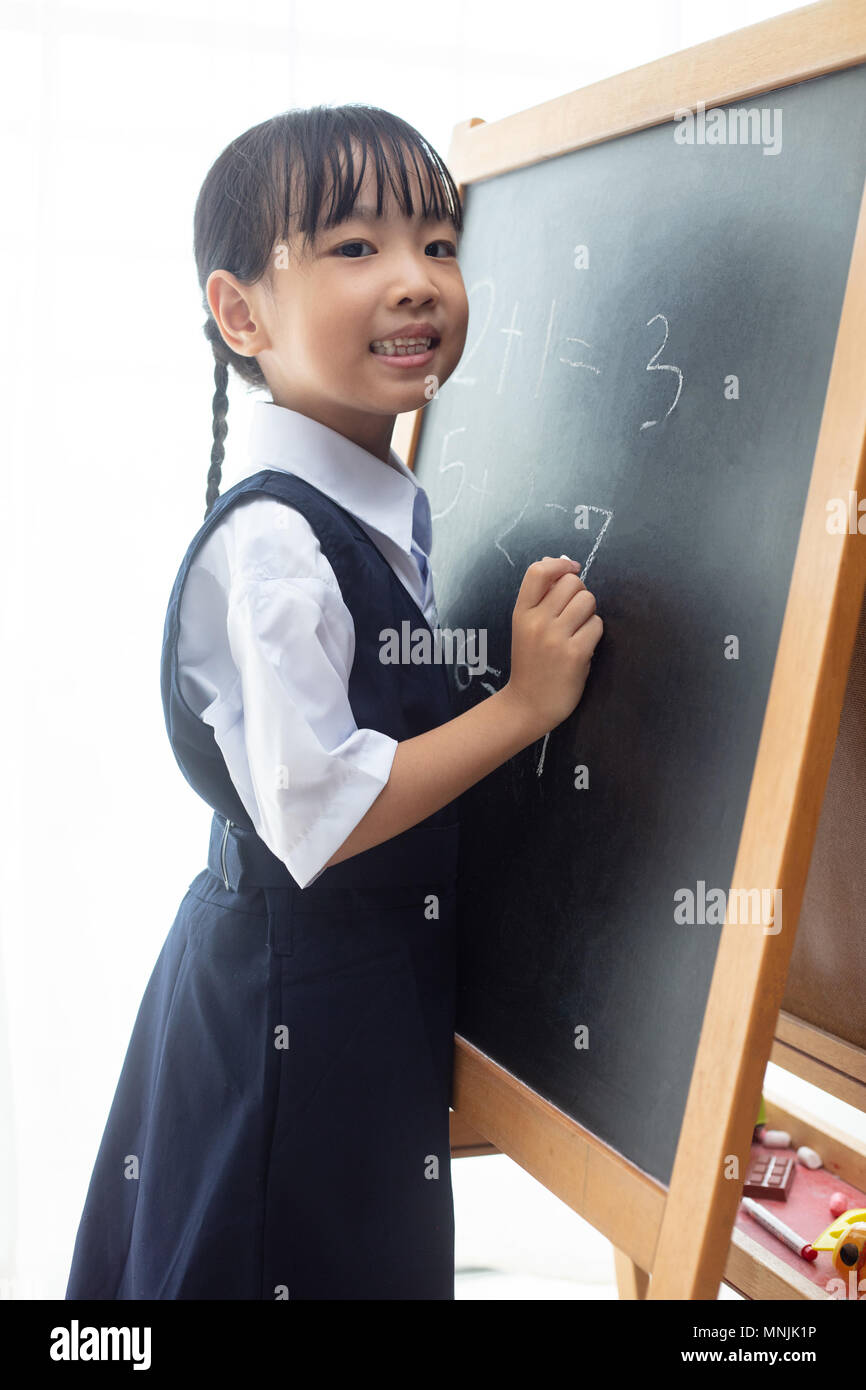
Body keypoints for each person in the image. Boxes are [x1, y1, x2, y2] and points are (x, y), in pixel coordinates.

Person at [64, 103, 603, 1301]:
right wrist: (523, 705)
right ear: (240, 311)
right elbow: (326, 812)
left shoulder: (376, 500)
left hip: (352, 1002)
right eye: (356, 248)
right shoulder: (270, 543)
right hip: (284, 1019)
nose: (415, 281)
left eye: (440, 244)